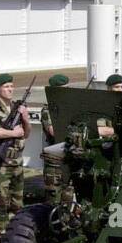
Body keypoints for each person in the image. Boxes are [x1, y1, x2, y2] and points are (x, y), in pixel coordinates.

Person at [0, 73, 31, 242]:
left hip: (17, 162)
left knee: (18, 204)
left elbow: (26, 133)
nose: (10, 89)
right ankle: (0, 238)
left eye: (11, 86)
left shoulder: (17, 107)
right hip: (1, 164)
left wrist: (25, 118)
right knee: (1, 204)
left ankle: (16, 237)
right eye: (6, 87)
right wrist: (13, 132)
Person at [40, 74, 71, 206]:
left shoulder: (70, 108)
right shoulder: (48, 110)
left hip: (69, 161)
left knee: (68, 199)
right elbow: (54, 131)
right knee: (53, 201)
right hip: (54, 163)